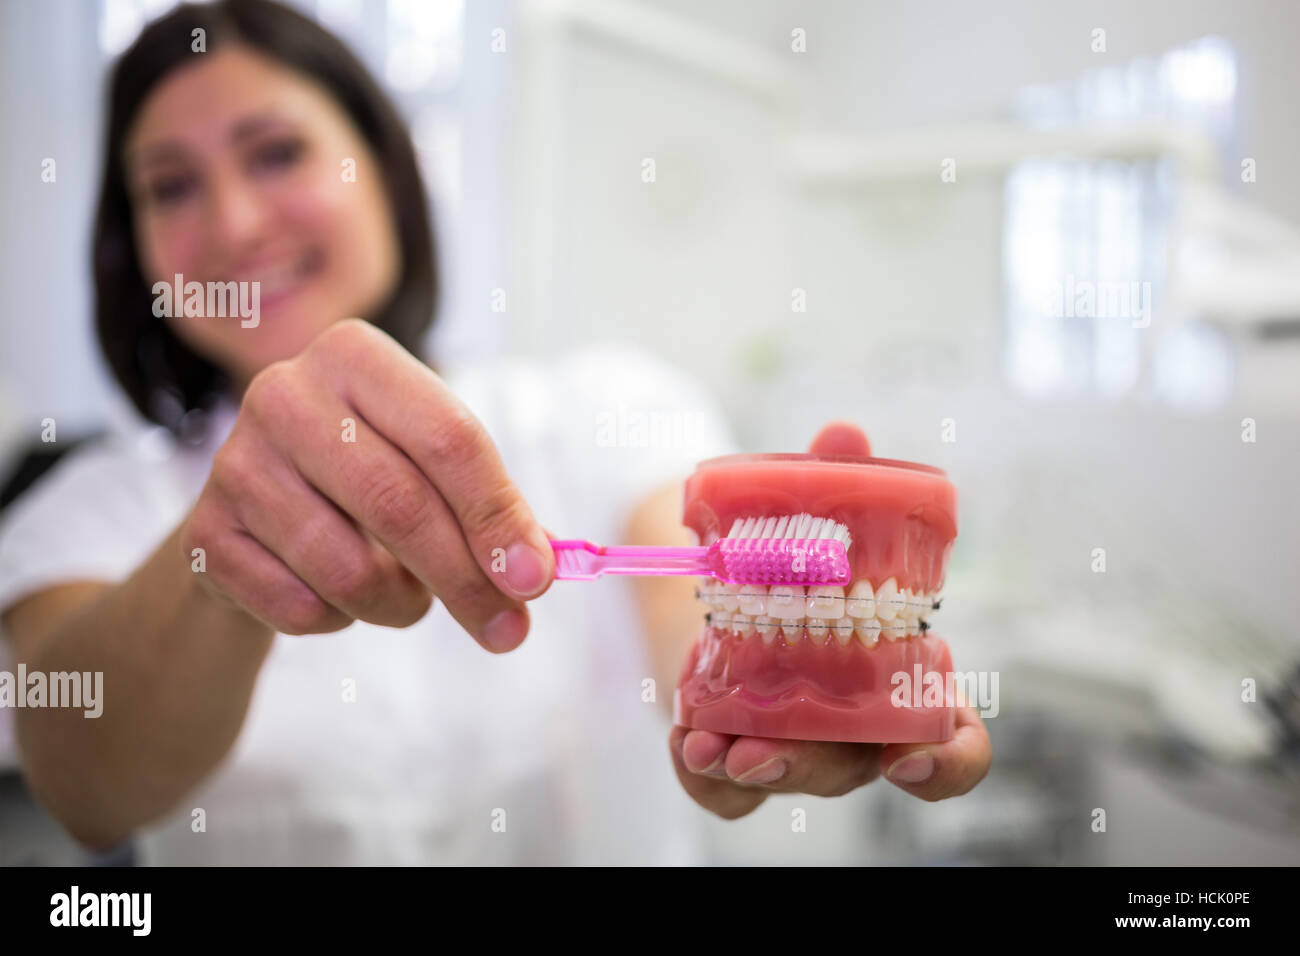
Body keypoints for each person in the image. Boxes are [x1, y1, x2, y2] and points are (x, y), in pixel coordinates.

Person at [0, 0, 989, 864]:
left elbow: (695, 605)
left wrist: (760, 694)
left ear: (383, 170)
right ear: (131, 247)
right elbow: (83, 786)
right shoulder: (80, 513)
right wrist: (217, 559)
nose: (235, 221)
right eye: (170, 185)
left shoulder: (604, 403)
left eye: (277, 152)